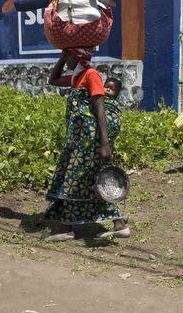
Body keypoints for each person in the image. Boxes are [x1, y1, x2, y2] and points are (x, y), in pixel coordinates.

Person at [44, 49, 129, 240]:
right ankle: (119, 224)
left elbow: (99, 107)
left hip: (89, 141)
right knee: (91, 181)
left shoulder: (91, 75)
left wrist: (105, 143)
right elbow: (53, 80)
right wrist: (62, 58)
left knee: (74, 179)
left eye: (70, 55)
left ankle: (66, 227)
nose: (68, 59)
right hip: (78, 139)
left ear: (79, 57)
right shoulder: (77, 77)